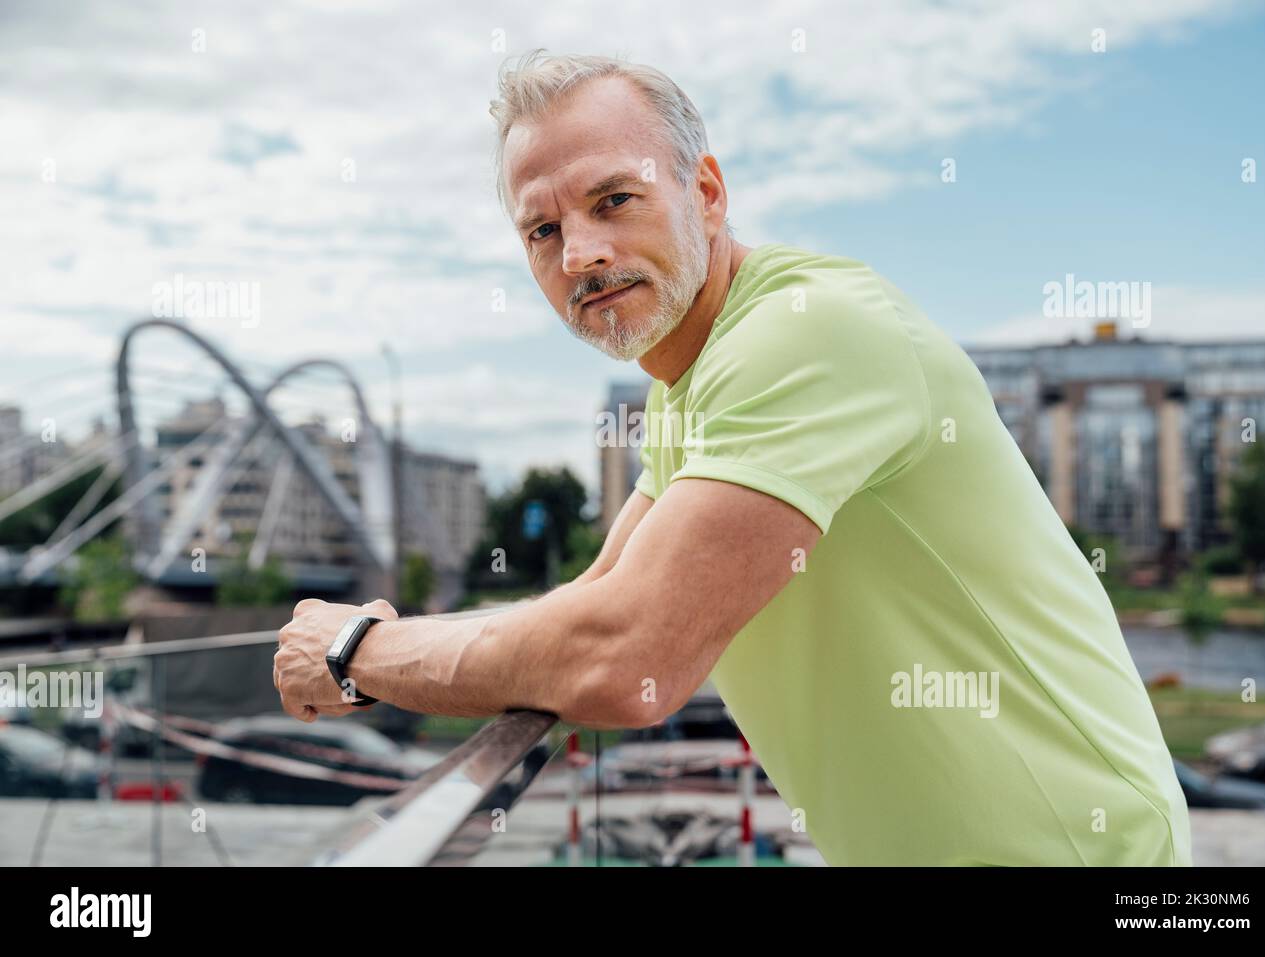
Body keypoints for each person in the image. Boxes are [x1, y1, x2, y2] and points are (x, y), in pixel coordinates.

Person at [276, 50, 1192, 866]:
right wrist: (379, 641)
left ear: (706, 193)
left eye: (613, 201)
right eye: (541, 231)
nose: (582, 254)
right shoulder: (687, 388)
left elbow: (624, 658)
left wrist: (362, 652)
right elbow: (593, 601)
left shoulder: (806, 335)